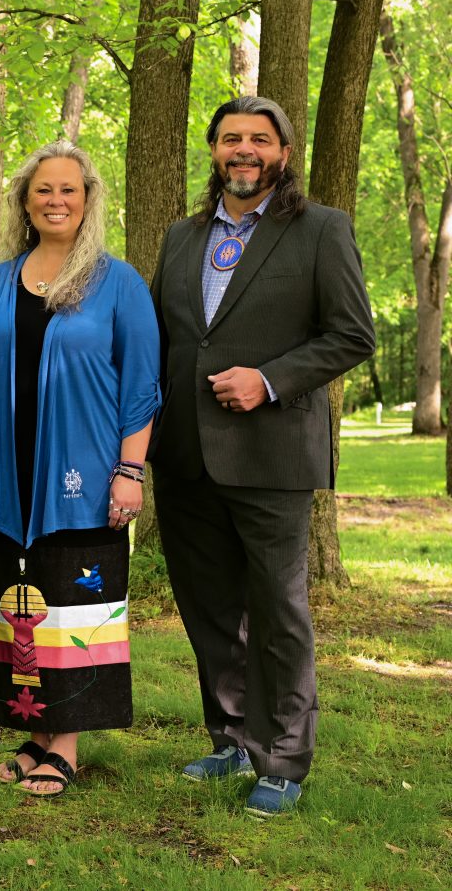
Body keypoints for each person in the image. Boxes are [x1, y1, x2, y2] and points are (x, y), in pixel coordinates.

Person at [149, 96, 375, 817]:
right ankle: (232, 737)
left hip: (272, 455)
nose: (242, 150)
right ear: (213, 150)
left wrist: (270, 379)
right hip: (184, 454)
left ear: (283, 151)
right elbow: (165, 337)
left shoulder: (320, 230)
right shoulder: (181, 238)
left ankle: (283, 758)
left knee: (278, 610)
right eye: (229, 138)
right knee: (209, 606)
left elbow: (352, 334)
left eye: (258, 139)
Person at [0, 140, 160, 798]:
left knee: (74, 602)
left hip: (83, 469)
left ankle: (67, 740)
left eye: (68, 190)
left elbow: (141, 386)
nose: (55, 200)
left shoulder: (118, 282)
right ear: (25, 200)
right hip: (5, 468)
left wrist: (130, 469)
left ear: (87, 200)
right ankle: (34, 729)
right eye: (43, 189)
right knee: (15, 599)